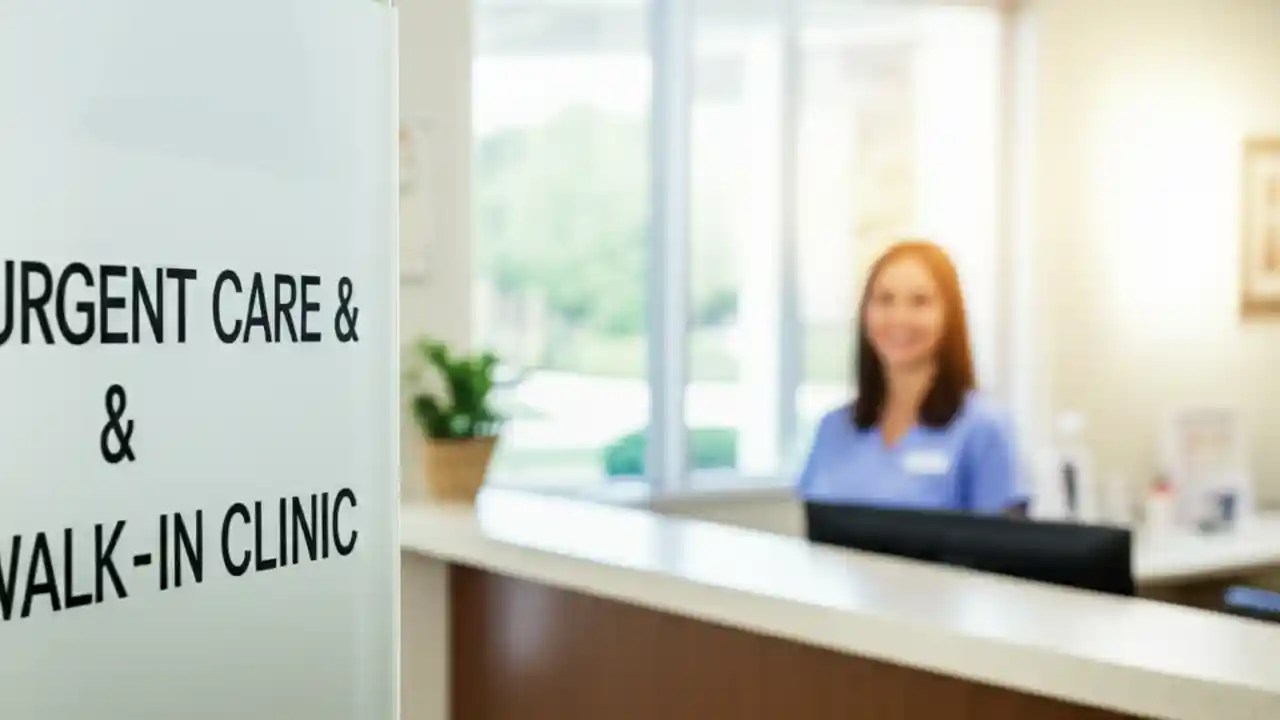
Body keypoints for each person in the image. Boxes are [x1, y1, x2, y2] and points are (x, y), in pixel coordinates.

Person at [797, 240, 1027, 515]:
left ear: (950, 316)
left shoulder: (984, 428)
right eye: (885, 300)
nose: (899, 317)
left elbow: (1005, 549)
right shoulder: (832, 429)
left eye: (920, 302)